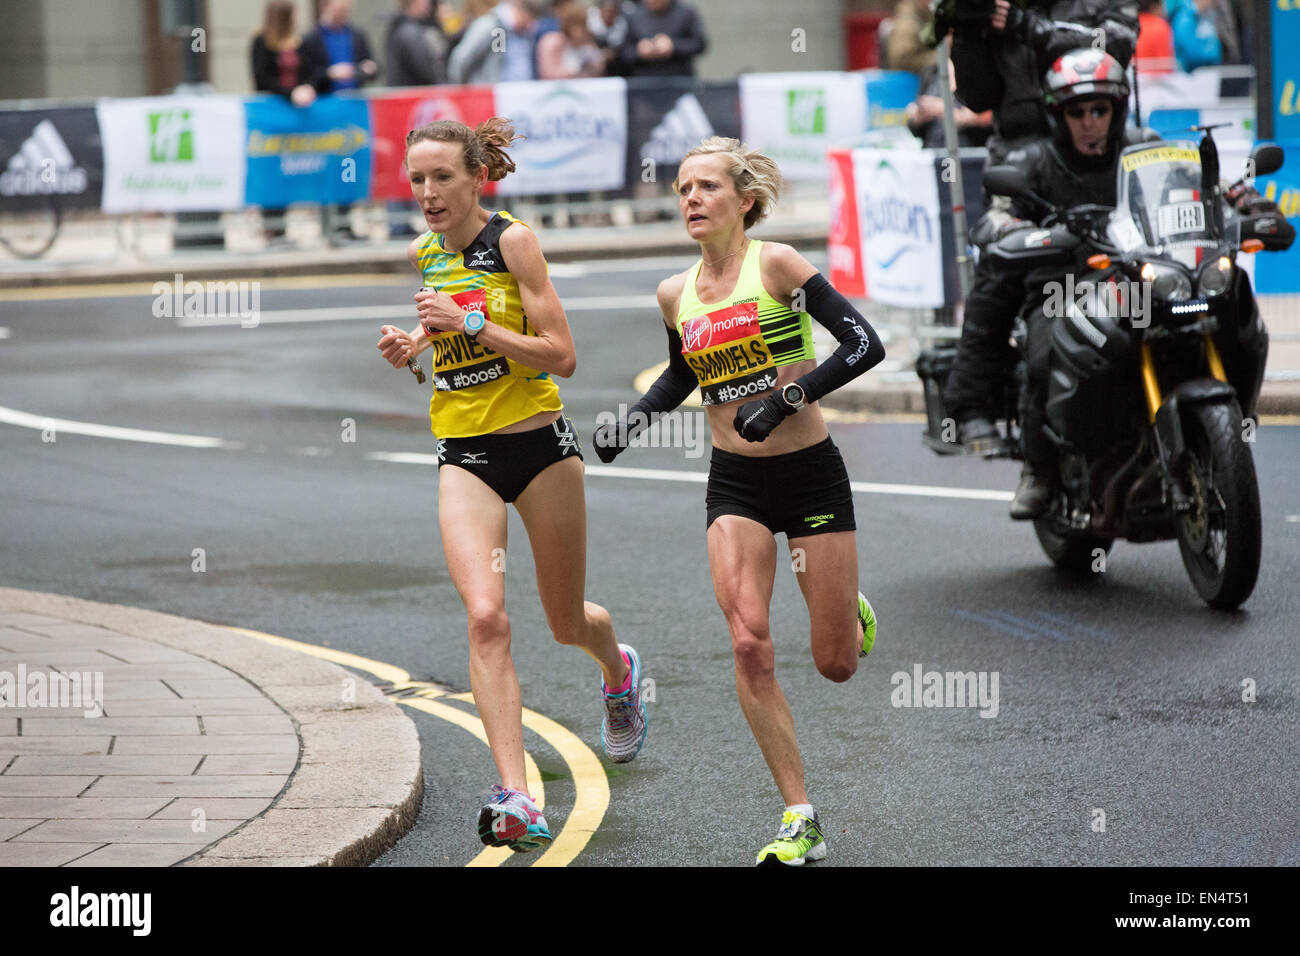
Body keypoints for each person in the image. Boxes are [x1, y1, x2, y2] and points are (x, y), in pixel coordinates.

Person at [592, 137, 886, 866]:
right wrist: (630, 423)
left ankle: (845, 605)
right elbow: (679, 374)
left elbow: (863, 344)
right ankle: (800, 815)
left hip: (810, 473)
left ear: (744, 200)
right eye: (684, 188)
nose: (691, 198)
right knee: (749, 641)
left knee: (837, 664)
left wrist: (789, 398)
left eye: (707, 187)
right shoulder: (675, 292)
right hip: (735, 484)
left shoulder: (777, 265)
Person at [376, 118, 648, 852]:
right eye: (417, 180)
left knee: (565, 621)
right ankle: (516, 794)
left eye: (442, 178)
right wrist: (415, 347)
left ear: (475, 179)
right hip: (463, 454)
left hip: (540, 450)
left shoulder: (514, 242)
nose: (428, 194)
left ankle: (616, 666)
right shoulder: (423, 252)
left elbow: (560, 355)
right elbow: (448, 330)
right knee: (487, 618)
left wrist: (469, 321)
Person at [941, 0, 1139, 450]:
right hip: (1023, 158)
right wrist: (968, 36)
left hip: (1104, 149)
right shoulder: (994, 9)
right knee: (1003, 273)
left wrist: (1032, 28)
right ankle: (972, 408)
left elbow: (1119, 43)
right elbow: (977, 96)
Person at [250, 0, 331, 107]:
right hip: (272, 104)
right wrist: (290, 93)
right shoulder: (261, 42)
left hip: (300, 103)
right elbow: (263, 77)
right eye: (292, 15)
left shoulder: (298, 42)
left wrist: (308, 87)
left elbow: (309, 72)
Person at [447, 0, 547, 84]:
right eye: (530, 19)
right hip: (490, 99)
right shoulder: (492, 26)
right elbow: (461, 60)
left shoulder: (525, 34)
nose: (532, 26)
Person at [619, 0, 708, 78]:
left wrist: (673, 45)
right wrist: (639, 50)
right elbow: (623, 52)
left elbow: (699, 44)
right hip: (643, 84)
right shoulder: (634, 15)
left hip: (679, 82)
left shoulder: (686, 12)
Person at [305, 0, 378, 92]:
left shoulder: (357, 35)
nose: (344, 14)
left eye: (346, 10)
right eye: (340, 10)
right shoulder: (311, 38)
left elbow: (371, 66)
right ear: (326, 6)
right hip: (325, 99)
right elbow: (307, 75)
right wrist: (330, 74)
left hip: (355, 97)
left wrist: (368, 68)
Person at [384, 0, 449, 86]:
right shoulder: (409, 31)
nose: (428, 3)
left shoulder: (400, 27)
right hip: (414, 92)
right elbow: (426, 69)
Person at [538, 0, 607, 79]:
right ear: (569, 25)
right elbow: (549, 74)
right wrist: (579, 69)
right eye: (580, 25)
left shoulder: (586, 45)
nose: (585, 30)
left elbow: (598, 70)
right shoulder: (551, 42)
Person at [1134, 0, 1175, 75]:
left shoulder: (1131, 24)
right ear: (1154, 6)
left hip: (1134, 78)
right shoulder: (1160, 26)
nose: (1164, 9)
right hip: (1155, 81)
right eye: (1162, 5)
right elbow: (1165, 66)